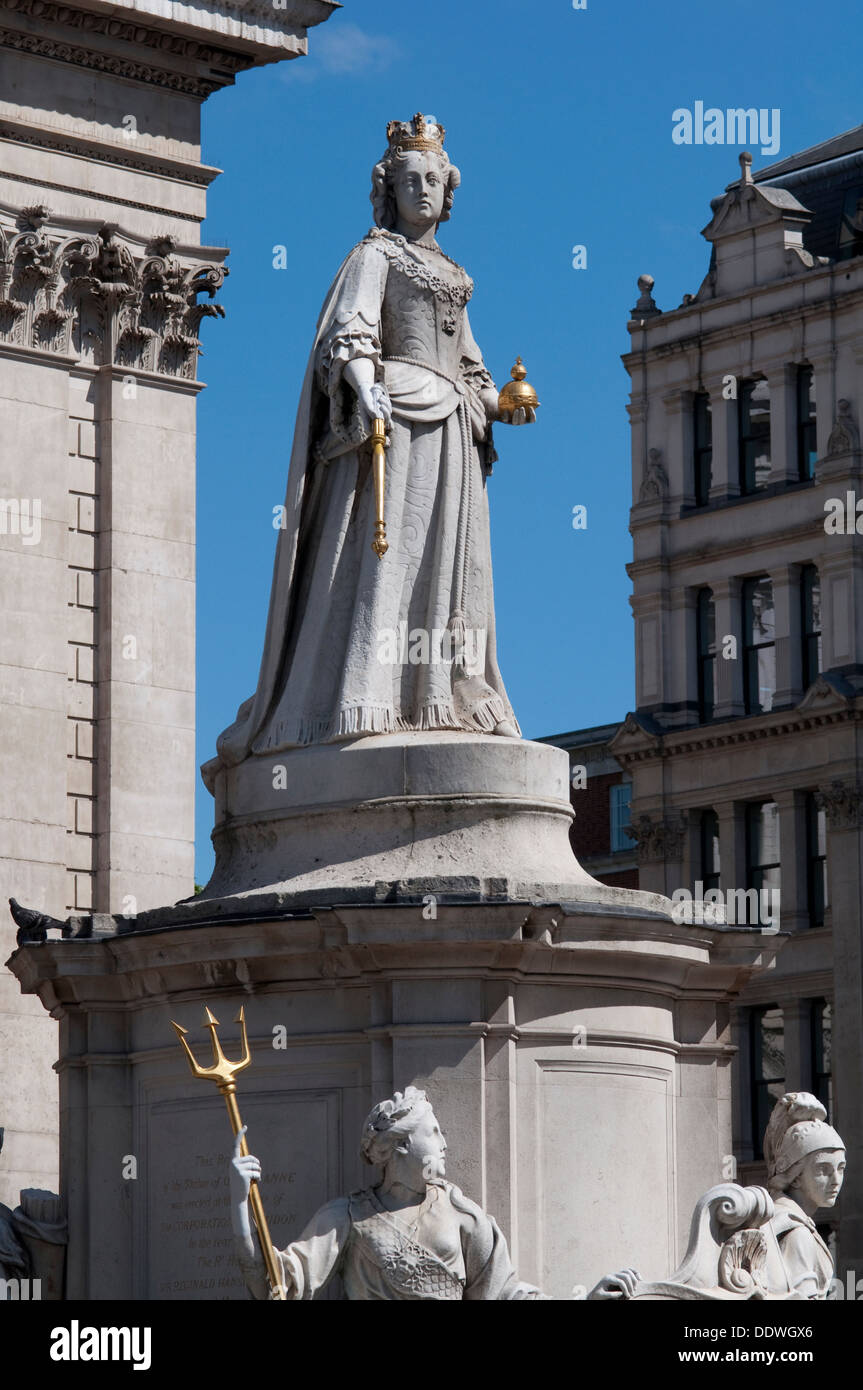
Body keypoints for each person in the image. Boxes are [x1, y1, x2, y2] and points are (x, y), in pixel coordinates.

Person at [216, 114, 527, 768]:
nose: (422, 190)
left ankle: (435, 695)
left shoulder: (454, 274)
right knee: (387, 562)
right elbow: (348, 331)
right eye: (410, 178)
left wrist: (499, 403)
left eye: (433, 180)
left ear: (449, 191)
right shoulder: (374, 255)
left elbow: (469, 361)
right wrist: (363, 379)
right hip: (395, 422)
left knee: (443, 569)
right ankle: (367, 696)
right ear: (390, 186)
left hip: (449, 429)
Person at [230, 1086, 637, 1301]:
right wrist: (239, 1204)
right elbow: (277, 1285)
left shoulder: (460, 1213)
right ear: (401, 1146)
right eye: (434, 1133)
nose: (444, 1143)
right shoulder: (349, 1217)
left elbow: (506, 1294)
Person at [763, 1091, 845, 1298]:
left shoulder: (787, 1220)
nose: (836, 1179)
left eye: (841, 1168)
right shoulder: (797, 1233)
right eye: (823, 1170)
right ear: (796, 1176)